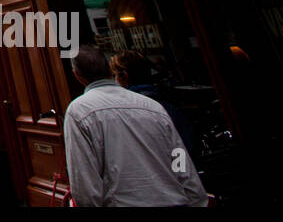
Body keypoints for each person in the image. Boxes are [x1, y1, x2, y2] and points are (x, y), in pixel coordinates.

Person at [64, 45, 207, 206]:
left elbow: (84, 181)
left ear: (77, 75)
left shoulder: (79, 111)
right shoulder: (153, 107)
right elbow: (179, 158)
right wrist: (197, 200)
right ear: (109, 71)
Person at [110, 50, 200, 162]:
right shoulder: (167, 108)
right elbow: (184, 149)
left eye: (115, 75)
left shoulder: (118, 114)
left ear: (124, 76)